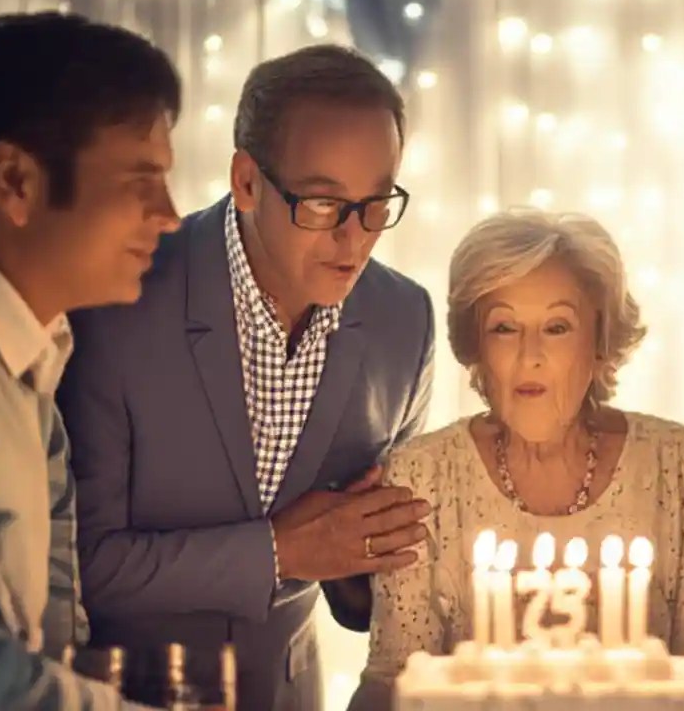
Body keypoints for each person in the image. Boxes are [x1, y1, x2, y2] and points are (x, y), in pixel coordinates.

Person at [56, 45, 434, 710]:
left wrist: (364, 554)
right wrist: (278, 551)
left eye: (376, 204)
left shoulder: (406, 320)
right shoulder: (118, 295)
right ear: (247, 181)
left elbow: (372, 587)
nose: (354, 239)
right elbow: (83, 565)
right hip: (126, 694)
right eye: (323, 204)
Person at [348, 209, 684, 709]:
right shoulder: (422, 474)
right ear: (475, 346)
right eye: (505, 328)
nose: (530, 355)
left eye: (556, 327)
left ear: (600, 342)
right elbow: (394, 681)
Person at [0, 12, 181, 708]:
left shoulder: (28, 352)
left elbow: (43, 637)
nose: (169, 214)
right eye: (141, 180)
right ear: (16, 181)